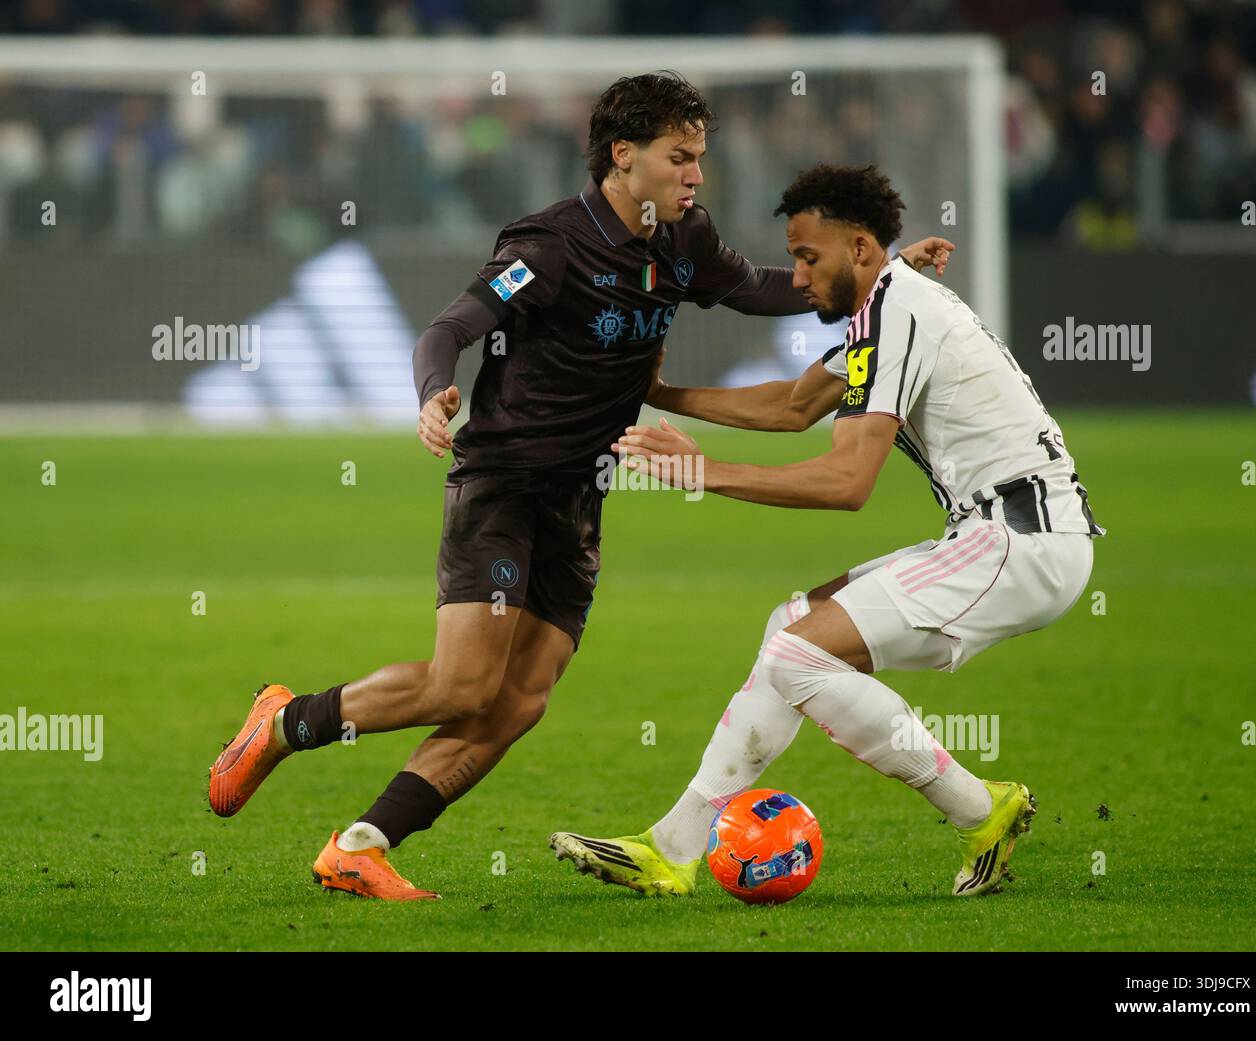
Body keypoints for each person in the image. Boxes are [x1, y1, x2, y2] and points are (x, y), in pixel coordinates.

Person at [207, 75, 955, 900]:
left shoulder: (686, 238)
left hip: (580, 500)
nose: (696, 175)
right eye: (680, 157)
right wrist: (432, 393)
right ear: (623, 156)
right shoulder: (549, 246)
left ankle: (362, 844)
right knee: (464, 684)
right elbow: (450, 328)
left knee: (519, 700)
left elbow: (765, 288)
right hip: (504, 486)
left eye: (699, 157)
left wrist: (881, 273)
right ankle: (285, 721)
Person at [551, 162, 1103, 898]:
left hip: (1020, 540)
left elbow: (847, 483)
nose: (799, 277)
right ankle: (672, 847)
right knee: (792, 627)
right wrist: (661, 394)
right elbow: (793, 405)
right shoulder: (888, 306)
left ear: (862, 249)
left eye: (810, 257)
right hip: (1000, 534)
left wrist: (703, 471)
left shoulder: (897, 310)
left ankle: (980, 809)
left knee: (799, 654)